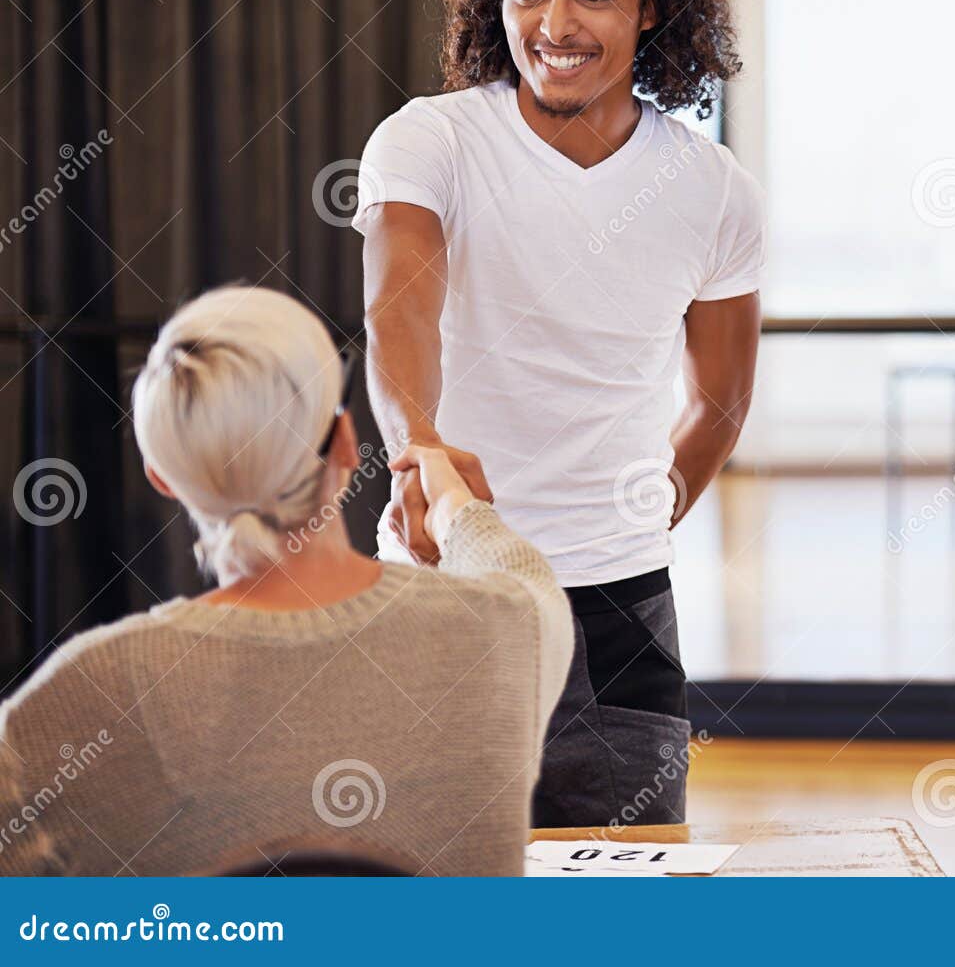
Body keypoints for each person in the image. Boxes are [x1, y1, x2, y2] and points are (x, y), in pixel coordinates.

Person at [354, 0, 765, 828]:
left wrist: (638, 515)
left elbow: (720, 403)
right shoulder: (429, 140)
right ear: (492, 1)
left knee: (629, 895)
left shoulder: (712, 189)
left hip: (621, 605)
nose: (554, 25)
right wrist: (419, 444)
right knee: (424, 887)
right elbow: (399, 307)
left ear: (651, 8)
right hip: (440, 580)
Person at [0, 287, 573, 876]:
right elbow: (520, 572)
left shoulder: (89, 691)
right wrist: (455, 507)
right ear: (347, 445)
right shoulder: (511, 630)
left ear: (164, 477)